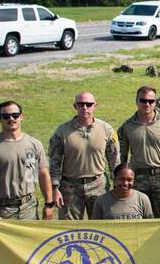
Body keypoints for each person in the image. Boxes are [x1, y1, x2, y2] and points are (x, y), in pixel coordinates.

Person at [0, 100, 53, 219]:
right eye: (6, 116)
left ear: (21, 117)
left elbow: (43, 174)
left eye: (15, 115)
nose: (11, 119)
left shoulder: (34, 144)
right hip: (2, 210)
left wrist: (49, 204)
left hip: (29, 208)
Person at [48, 91, 120, 220]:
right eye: (80, 104)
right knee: (70, 231)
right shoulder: (62, 131)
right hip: (70, 188)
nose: (85, 108)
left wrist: (117, 184)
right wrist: (54, 188)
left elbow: (114, 160)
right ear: (75, 106)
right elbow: (54, 161)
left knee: (101, 228)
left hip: (98, 186)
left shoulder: (106, 129)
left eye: (89, 104)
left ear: (95, 105)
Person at [119, 85, 160, 218]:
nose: (147, 104)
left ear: (155, 102)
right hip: (137, 178)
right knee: (138, 218)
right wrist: (119, 180)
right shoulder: (127, 127)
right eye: (143, 100)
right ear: (137, 101)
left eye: (151, 101)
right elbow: (121, 157)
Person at [91, 164, 155, 219]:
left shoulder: (143, 199)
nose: (125, 183)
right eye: (122, 179)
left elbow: (150, 225)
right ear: (115, 180)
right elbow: (95, 227)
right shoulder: (101, 201)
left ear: (134, 180)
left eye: (129, 180)